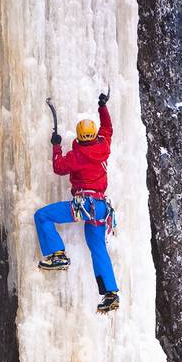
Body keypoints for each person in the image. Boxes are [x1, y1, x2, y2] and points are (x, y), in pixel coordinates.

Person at [34, 92, 119, 313]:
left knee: (42, 216)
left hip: (83, 205)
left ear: (80, 138)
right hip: (101, 209)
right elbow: (108, 129)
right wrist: (103, 107)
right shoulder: (103, 147)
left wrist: (56, 146)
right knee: (97, 246)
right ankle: (110, 293)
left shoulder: (77, 156)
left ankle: (58, 254)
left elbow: (58, 167)